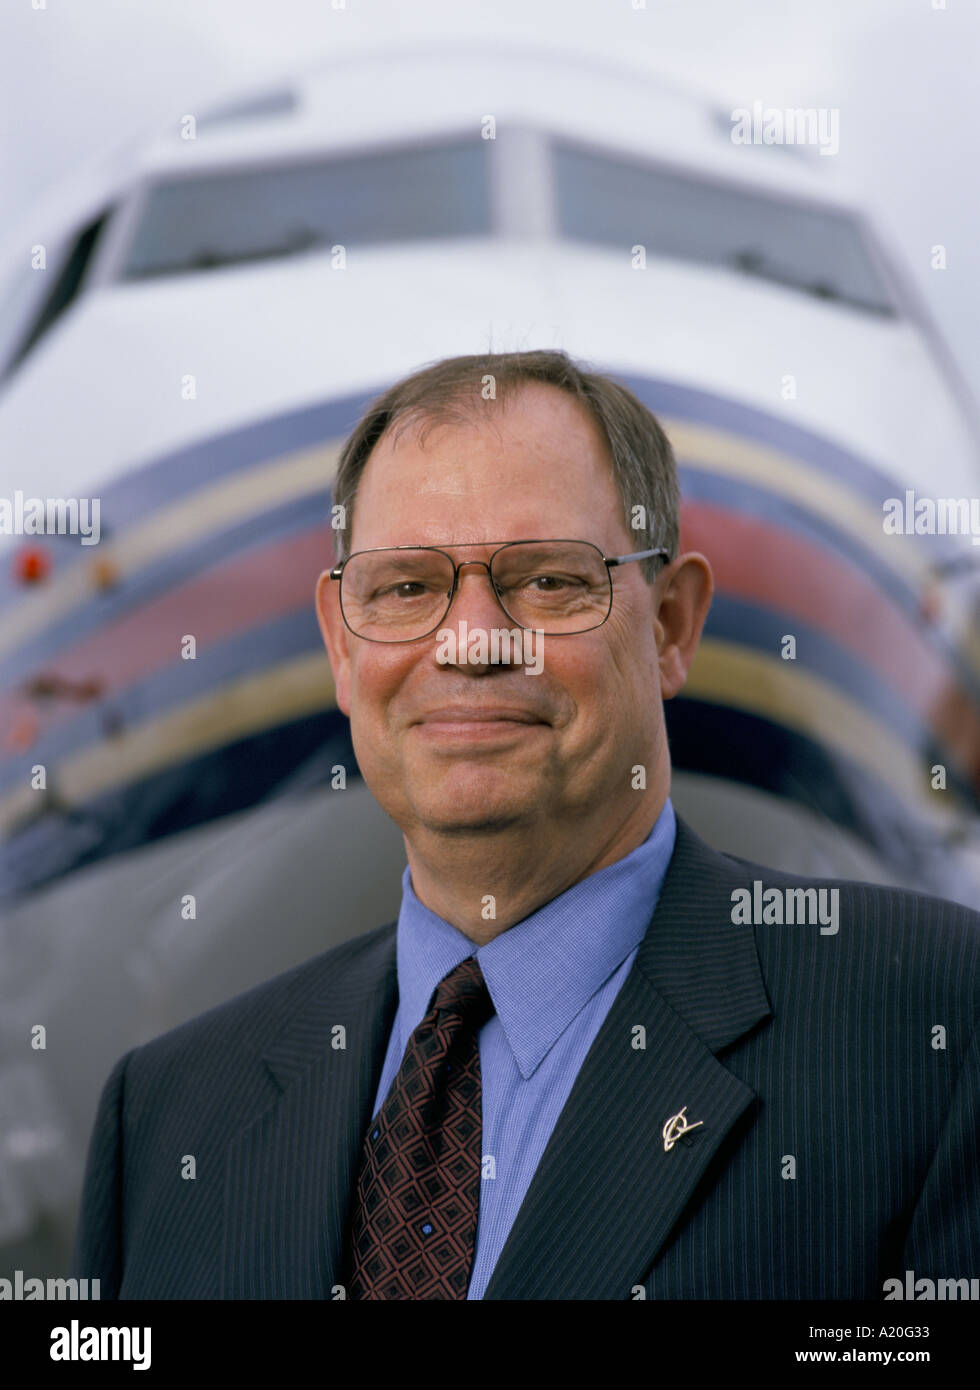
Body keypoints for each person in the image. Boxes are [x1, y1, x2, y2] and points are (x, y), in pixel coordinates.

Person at [72, 349, 980, 1300]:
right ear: (341, 647)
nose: (471, 642)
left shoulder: (936, 1032)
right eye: (406, 588)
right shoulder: (165, 1121)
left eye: (548, 579)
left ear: (671, 624)